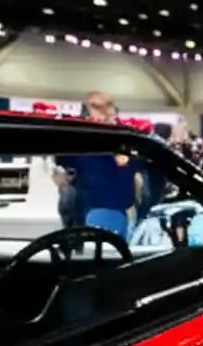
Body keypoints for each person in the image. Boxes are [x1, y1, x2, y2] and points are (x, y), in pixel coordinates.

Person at [56, 91, 142, 238]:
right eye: (98, 108)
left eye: (108, 108)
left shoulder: (126, 142)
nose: (105, 115)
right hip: (93, 211)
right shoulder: (81, 144)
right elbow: (63, 165)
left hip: (117, 211)